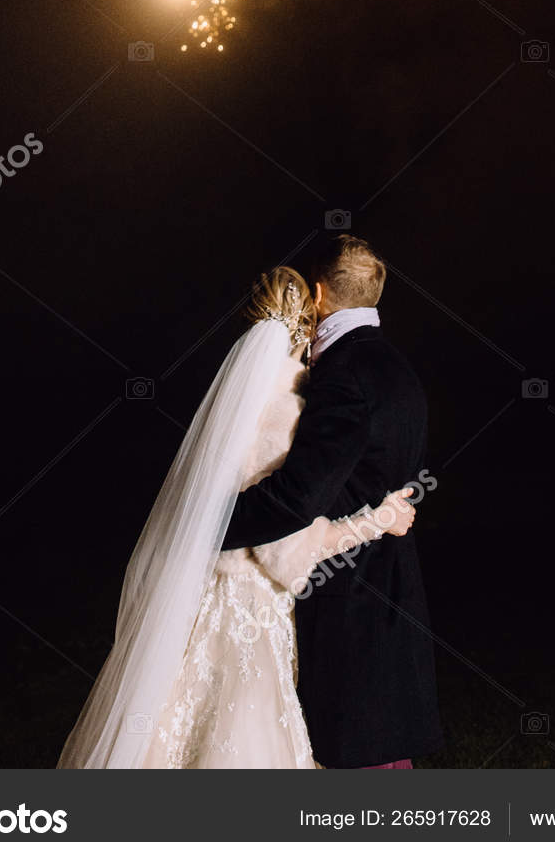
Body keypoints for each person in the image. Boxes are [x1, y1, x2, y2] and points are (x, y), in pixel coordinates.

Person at [56, 265, 416, 768]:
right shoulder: (289, 410)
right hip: (249, 612)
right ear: (310, 322)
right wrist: (377, 520)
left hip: (203, 601)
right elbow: (284, 551)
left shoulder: (239, 404)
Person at [222, 234, 442, 768]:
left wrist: (213, 524)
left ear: (318, 294)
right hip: (390, 591)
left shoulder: (341, 375)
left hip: (346, 596)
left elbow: (297, 496)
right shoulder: (399, 370)